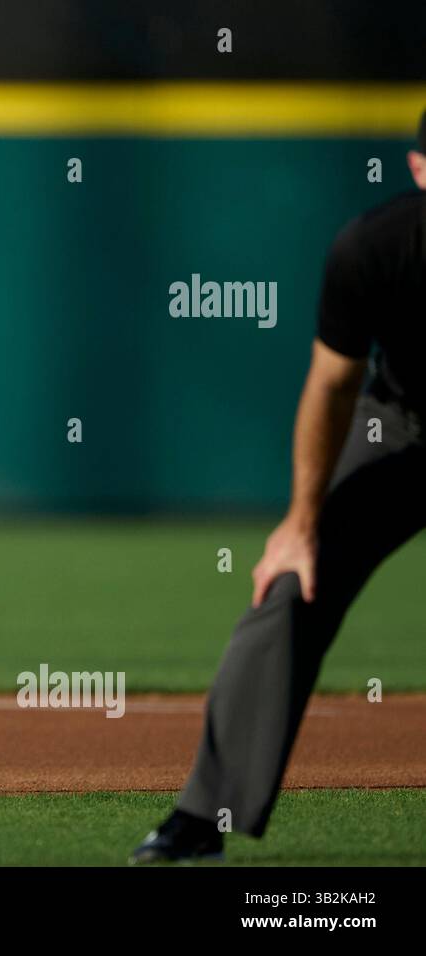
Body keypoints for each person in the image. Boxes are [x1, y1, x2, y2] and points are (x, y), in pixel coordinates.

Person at [132, 111, 426, 862]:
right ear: (420, 171)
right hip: (402, 428)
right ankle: (205, 817)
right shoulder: (377, 248)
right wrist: (299, 524)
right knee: (292, 585)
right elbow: (331, 386)